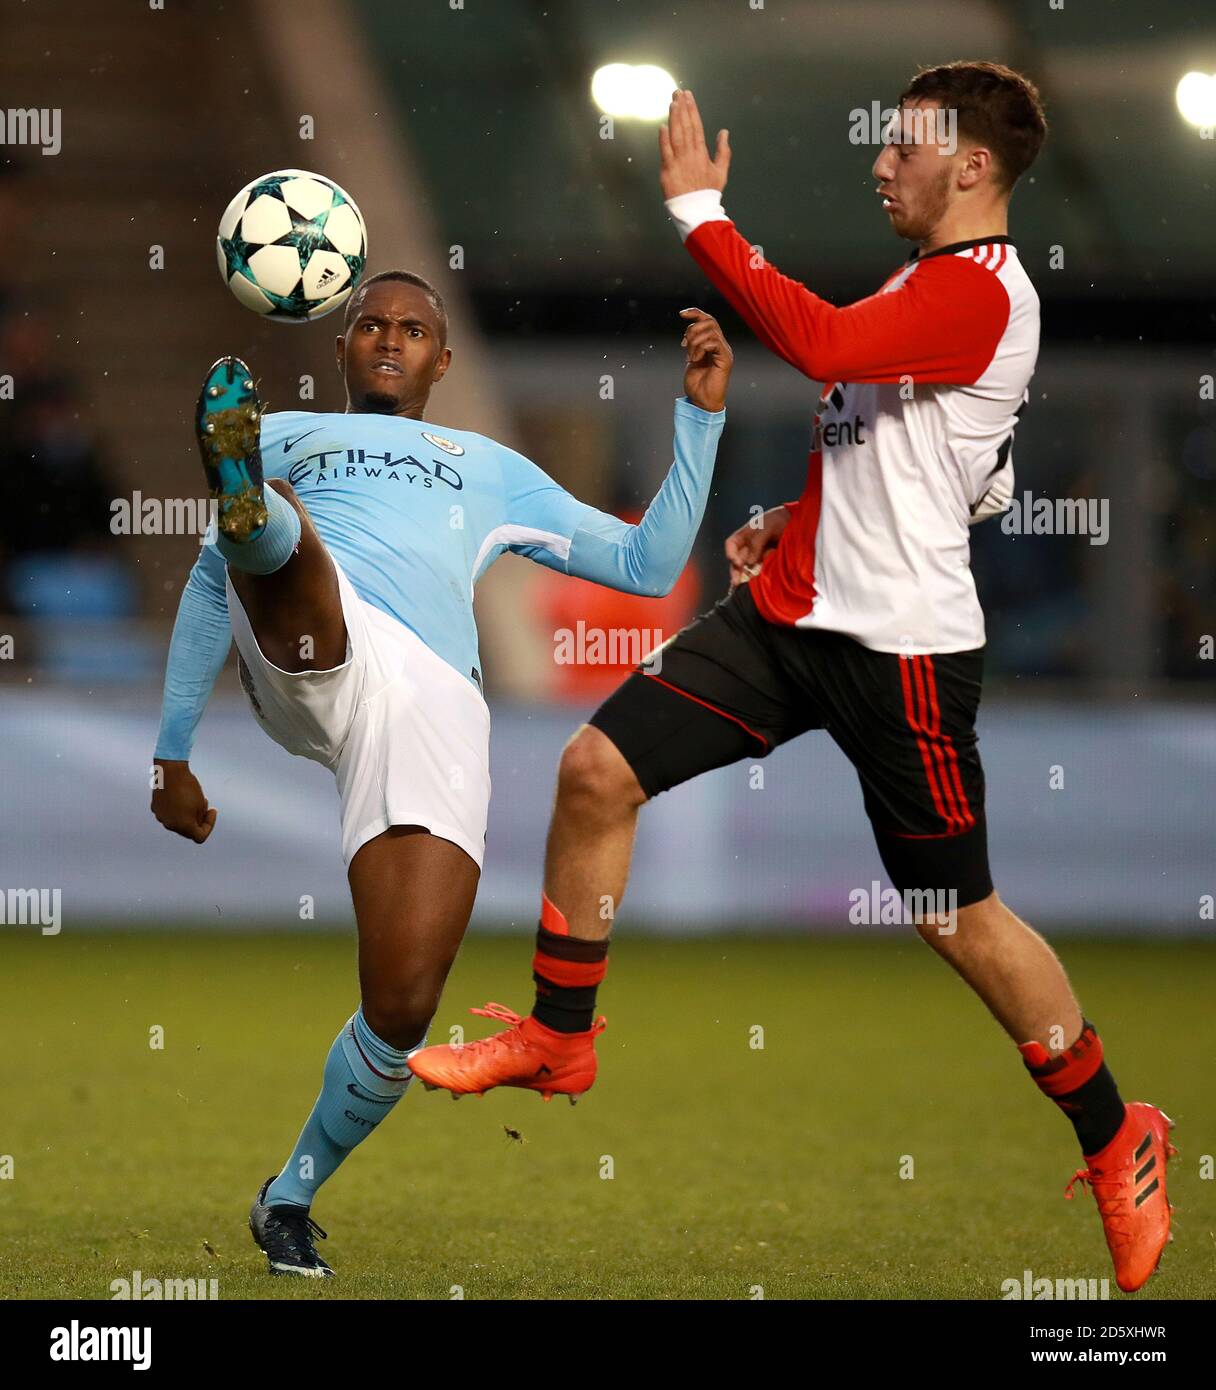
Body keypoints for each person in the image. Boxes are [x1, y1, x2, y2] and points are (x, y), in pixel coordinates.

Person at [407, 64, 1175, 1295]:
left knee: (957, 920)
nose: (880, 163)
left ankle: (1116, 1135)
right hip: (790, 616)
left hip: (901, 654)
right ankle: (558, 1035)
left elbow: (816, 343)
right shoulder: (924, 287)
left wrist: (699, 213)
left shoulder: (981, 292)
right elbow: (910, 456)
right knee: (596, 770)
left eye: (905, 148)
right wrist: (784, 514)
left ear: (973, 166)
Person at [151, 269, 733, 1276]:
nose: (387, 339)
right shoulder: (281, 428)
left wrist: (699, 419)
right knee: (277, 532)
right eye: (367, 324)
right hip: (310, 637)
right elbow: (208, 583)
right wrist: (172, 750)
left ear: (441, 359)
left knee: (405, 1000)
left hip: (428, 701)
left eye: (411, 328)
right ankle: (255, 513)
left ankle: (288, 1197)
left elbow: (645, 565)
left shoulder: (489, 467)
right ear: (338, 348)